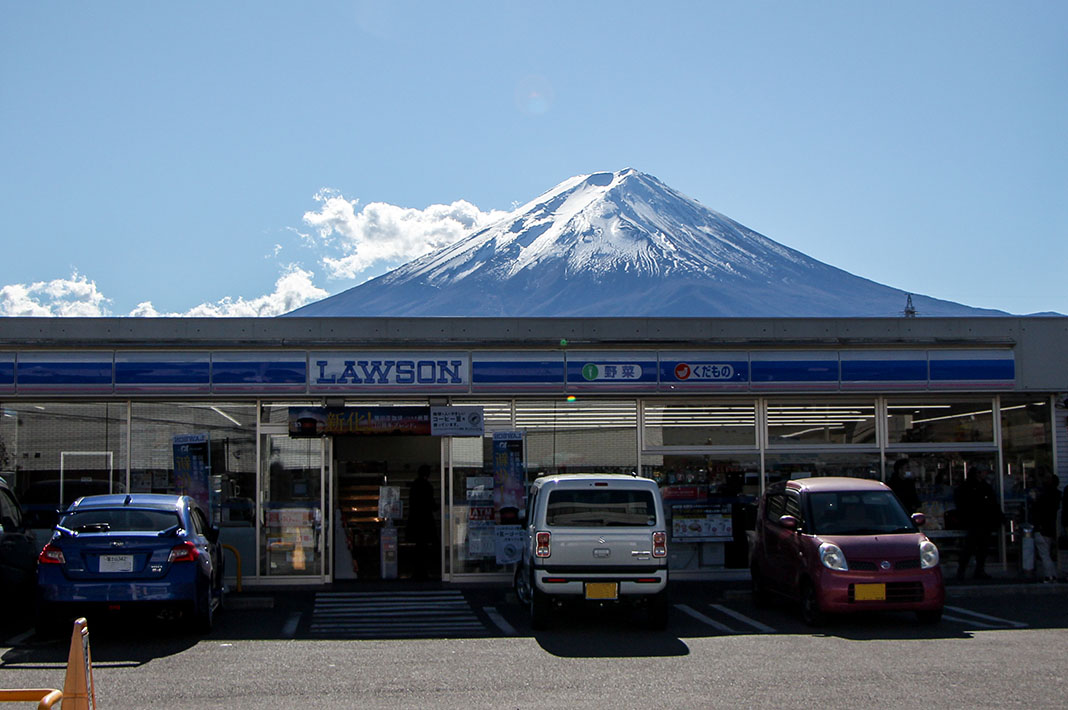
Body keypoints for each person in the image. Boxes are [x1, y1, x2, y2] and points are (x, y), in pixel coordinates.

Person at [953, 466, 1004, 581]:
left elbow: (992, 503)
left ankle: (976, 570)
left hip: (981, 522)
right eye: (983, 472)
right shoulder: (971, 488)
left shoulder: (982, 487)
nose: (985, 474)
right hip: (976, 522)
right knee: (972, 547)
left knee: (980, 548)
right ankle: (966, 570)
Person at [406, 465, 437, 580]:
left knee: (419, 545)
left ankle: (418, 570)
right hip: (426, 519)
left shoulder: (414, 485)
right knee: (426, 545)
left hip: (415, 519)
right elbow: (431, 504)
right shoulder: (427, 486)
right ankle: (424, 569)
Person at [1029, 472, 1060, 583]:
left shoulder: (1043, 498)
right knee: (1047, 552)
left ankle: (1049, 575)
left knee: (1044, 553)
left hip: (1041, 528)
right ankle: (1053, 575)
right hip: (1050, 528)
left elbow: (1037, 511)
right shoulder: (1056, 496)